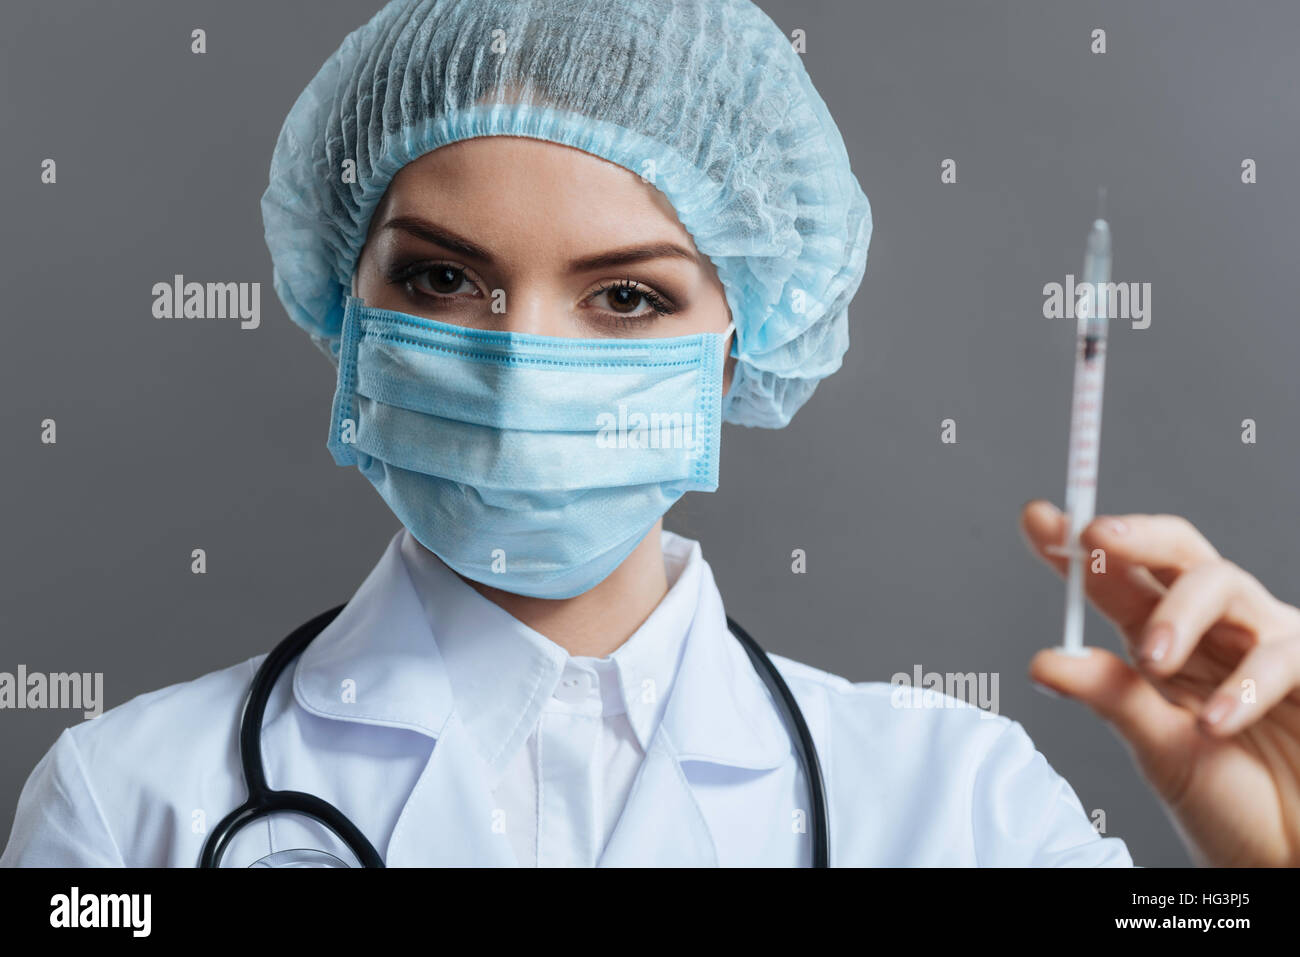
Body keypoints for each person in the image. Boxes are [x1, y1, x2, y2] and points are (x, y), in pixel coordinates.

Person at [5, 0, 1300, 867]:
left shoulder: (962, 809)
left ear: (742, 337)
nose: (523, 369)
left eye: (626, 297)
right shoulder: (130, 811)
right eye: (444, 281)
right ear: (347, 305)